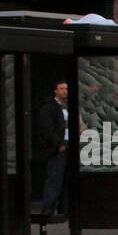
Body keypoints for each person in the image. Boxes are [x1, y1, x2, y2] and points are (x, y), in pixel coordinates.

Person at [34, 80, 70, 223]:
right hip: (58, 149)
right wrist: (58, 144)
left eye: (66, 89)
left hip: (68, 147)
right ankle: (47, 211)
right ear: (55, 91)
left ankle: (64, 210)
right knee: (54, 180)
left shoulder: (68, 107)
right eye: (61, 89)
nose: (65, 91)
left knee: (65, 180)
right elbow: (47, 129)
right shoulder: (49, 108)